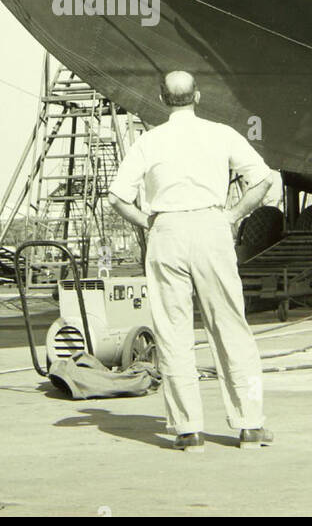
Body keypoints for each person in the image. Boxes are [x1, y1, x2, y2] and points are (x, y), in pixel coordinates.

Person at [108, 70, 274, 452]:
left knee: (173, 331)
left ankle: (189, 431)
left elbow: (117, 197)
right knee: (231, 326)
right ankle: (250, 426)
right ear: (197, 97)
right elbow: (262, 180)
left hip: (167, 231)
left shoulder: (149, 142)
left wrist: (149, 222)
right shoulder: (221, 134)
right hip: (212, 226)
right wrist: (232, 216)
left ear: (162, 99)